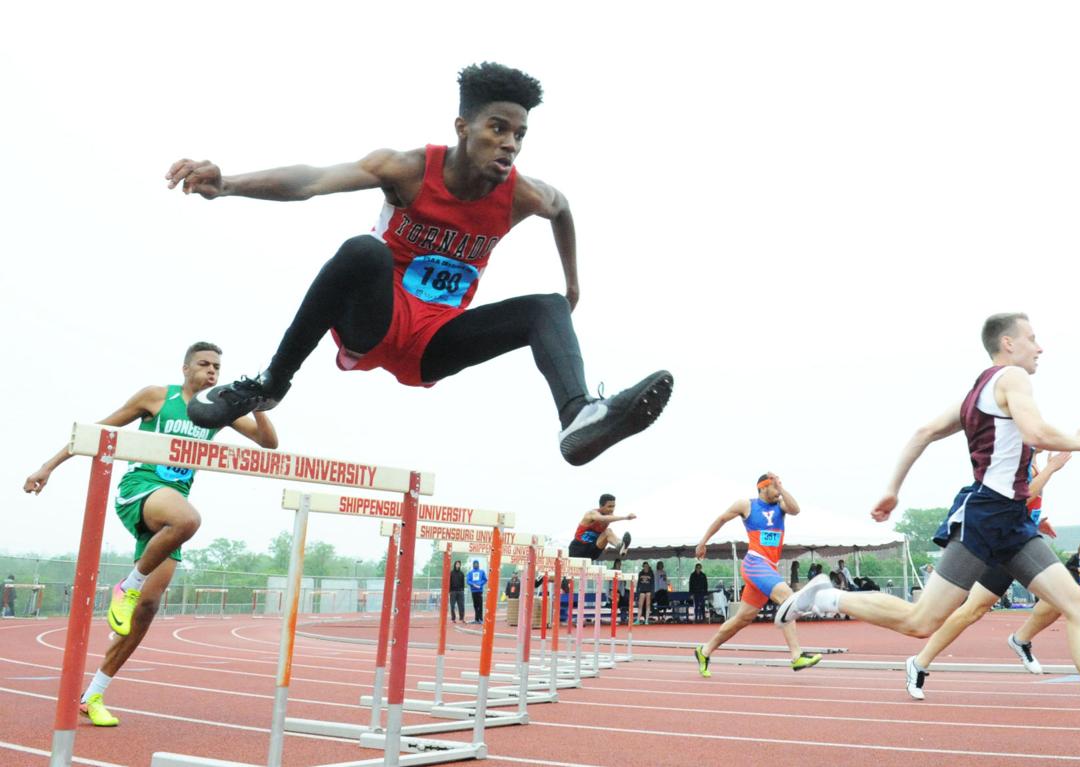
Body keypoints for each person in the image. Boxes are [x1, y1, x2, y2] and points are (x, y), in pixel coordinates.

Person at [166, 62, 672, 467]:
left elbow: (563, 210)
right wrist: (228, 183)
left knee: (546, 308)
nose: (510, 145)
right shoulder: (406, 169)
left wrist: (573, 284)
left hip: (436, 343)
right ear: (463, 128)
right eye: (497, 129)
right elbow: (312, 180)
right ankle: (270, 384)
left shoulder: (523, 194)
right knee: (365, 250)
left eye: (520, 134)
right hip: (375, 323)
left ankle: (579, 415)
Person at [776, 313, 1080, 759]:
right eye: (1032, 338)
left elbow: (923, 432)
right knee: (921, 622)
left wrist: (892, 490)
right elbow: (1035, 432)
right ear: (1008, 343)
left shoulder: (975, 393)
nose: (1039, 347)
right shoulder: (1012, 378)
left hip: (1012, 522)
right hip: (987, 517)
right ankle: (826, 597)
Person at [22, 342, 278, 728]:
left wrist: (257, 403)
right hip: (141, 490)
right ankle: (128, 584)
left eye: (217, 367)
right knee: (189, 521)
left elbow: (268, 443)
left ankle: (93, 695)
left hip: (170, 509)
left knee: (146, 610)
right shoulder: (157, 397)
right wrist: (48, 466)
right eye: (204, 364)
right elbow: (100, 429)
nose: (212, 372)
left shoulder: (217, 410)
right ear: (185, 368)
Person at [902, 449, 1072, 700]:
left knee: (1064, 597)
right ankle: (919, 663)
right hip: (999, 542)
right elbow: (1020, 498)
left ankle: (1021, 639)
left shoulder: (1031, 463)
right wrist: (1051, 469)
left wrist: (1036, 522)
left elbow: (1023, 507)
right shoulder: (1014, 459)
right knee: (973, 609)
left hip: (1021, 541)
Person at [693, 473, 822, 678]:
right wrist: (703, 542)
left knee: (742, 619)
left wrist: (782, 488)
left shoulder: (781, 505)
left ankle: (704, 650)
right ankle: (797, 655)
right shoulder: (747, 505)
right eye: (774, 486)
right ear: (763, 488)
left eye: (779, 486)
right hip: (755, 563)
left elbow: (796, 510)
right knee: (788, 597)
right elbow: (721, 519)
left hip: (769, 568)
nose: (778, 490)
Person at [569, 494, 635, 561]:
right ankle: (620, 545)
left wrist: (621, 541)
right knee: (607, 531)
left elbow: (610, 535)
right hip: (578, 548)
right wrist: (625, 517)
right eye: (609, 506)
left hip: (593, 548)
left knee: (608, 532)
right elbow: (602, 519)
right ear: (601, 506)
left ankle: (620, 546)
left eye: (613, 506)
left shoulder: (610, 516)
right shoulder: (591, 513)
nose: (612, 509)